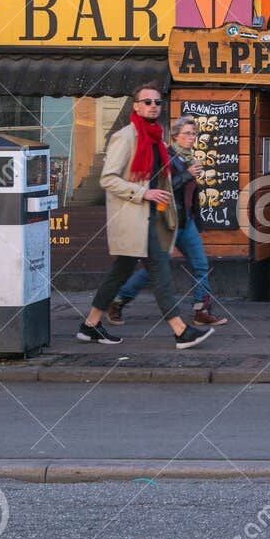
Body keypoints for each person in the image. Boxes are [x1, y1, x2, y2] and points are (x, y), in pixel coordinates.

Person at [76, 83, 213, 350]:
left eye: (157, 102)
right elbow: (108, 179)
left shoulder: (156, 140)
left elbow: (160, 179)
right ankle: (180, 330)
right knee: (160, 271)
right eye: (147, 102)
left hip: (151, 217)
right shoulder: (125, 137)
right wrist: (144, 193)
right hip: (133, 218)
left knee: (119, 274)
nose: (153, 106)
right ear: (136, 106)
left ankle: (90, 325)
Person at [108, 116, 228, 327]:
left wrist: (196, 218)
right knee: (155, 268)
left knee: (201, 264)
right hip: (167, 222)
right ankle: (118, 300)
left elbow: (191, 195)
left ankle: (201, 310)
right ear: (175, 136)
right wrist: (187, 175)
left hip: (186, 222)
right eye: (187, 133)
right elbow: (163, 188)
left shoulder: (189, 159)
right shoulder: (167, 158)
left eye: (194, 133)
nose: (192, 137)